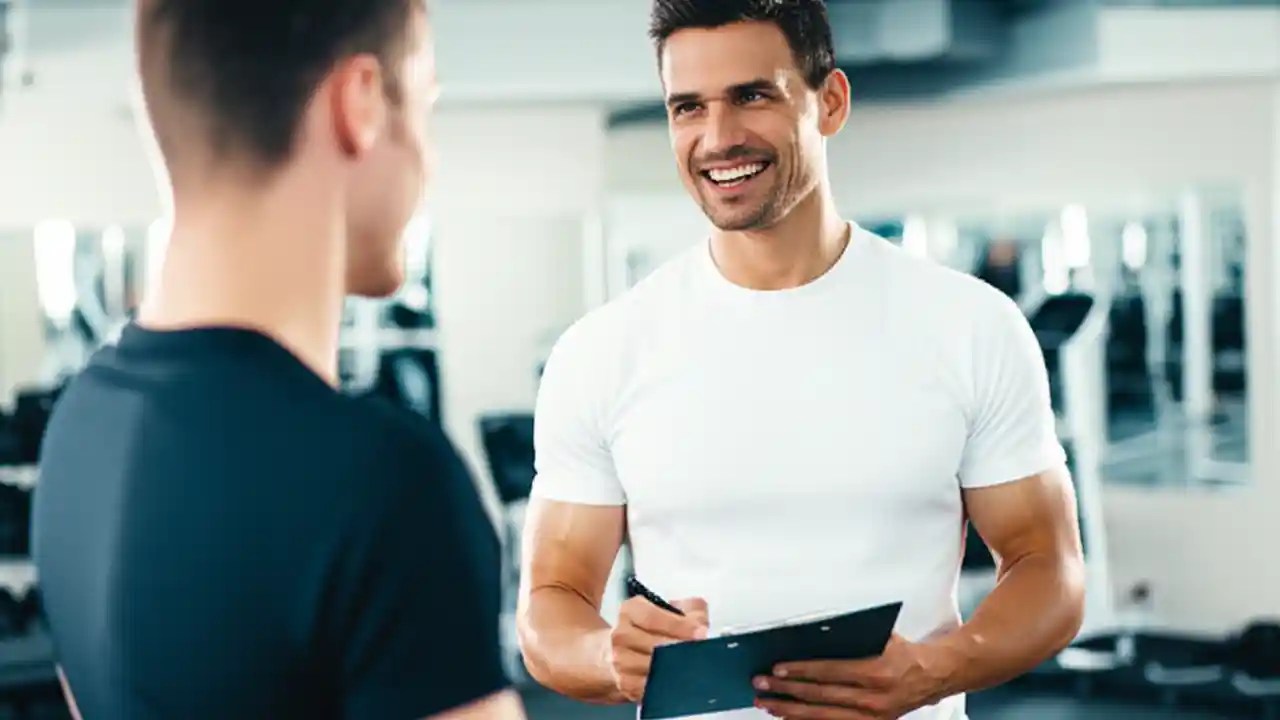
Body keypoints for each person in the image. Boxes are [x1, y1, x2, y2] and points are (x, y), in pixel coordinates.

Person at [516, 1, 1086, 718]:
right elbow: (550, 607)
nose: (717, 138)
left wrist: (935, 669)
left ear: (831, 102)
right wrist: (605, 654)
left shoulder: (971, 326)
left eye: (752, 96)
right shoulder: (601, 352)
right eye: (687, 107)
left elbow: (1050, 570)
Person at [32, 1, 525, 718]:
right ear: (360, 104)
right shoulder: (382, 485)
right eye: (425, 107)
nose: (429, 156)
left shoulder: (79, 429)